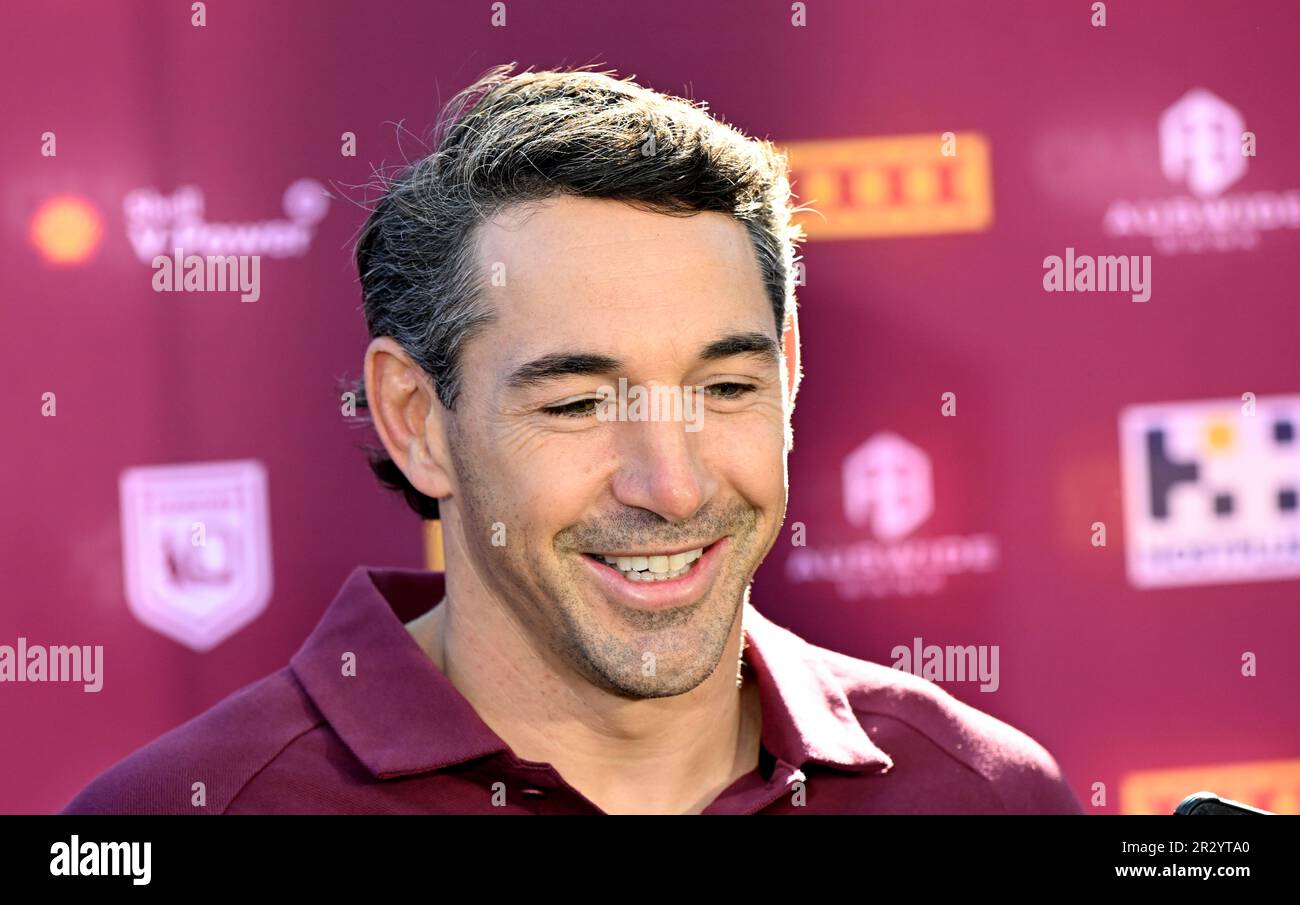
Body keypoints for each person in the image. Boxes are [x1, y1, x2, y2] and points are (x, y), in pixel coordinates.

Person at [63, 63, 1083, 815]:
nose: (671, 485)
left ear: (791, 368)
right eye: (578, 403)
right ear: (415, 419)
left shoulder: (984, 789)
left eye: (724, 386)